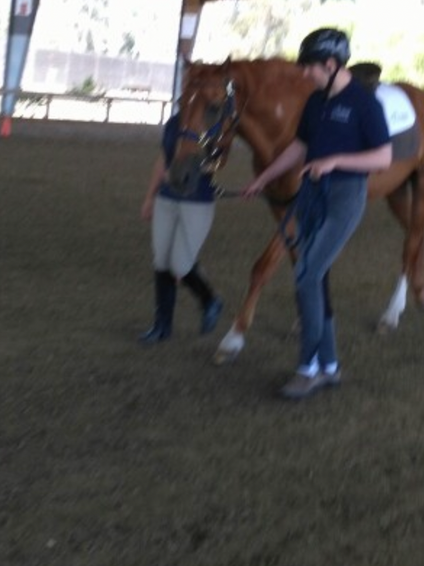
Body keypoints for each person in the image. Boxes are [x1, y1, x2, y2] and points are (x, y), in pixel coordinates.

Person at [242, 28, 393, 400]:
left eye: (310, 68)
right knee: (316, 278)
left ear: (331, 64)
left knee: (306, 275)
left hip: (345, 196)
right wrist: (265, 177)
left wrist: (337, 160)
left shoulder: (364, 104)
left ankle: (306, 368)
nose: (305, 74)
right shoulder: (315, 102)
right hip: (312, 196)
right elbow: (300, 146)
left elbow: (384, 157)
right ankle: (329, 366)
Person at [139, 112, 223, 344]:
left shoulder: (214, 124)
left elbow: (217, 162)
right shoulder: (174, 122)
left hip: (196, 202)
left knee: (180, 264)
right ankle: (161, 326)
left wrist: (185, 170)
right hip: (166, 199)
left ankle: (209, 299)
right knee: (161, 262)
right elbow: (162, 160)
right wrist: (150, 196)